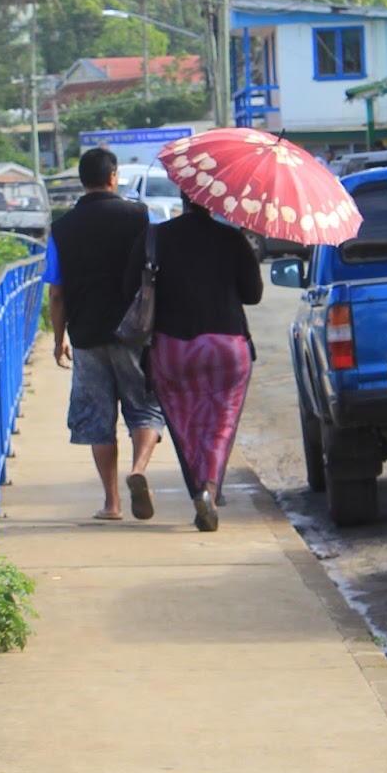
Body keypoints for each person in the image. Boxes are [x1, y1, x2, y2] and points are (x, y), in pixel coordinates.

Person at [124, 195, 263, 533]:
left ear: (182, 197)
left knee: (185, 425)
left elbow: (130, 287)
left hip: (172, 348)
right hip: (226, 346)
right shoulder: (233, 239)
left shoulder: (154, 237)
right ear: (214, 201)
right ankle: (209, 494)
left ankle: (198, 489)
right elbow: (253, 294)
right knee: (220, 424)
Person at [45, 146, 165, 521]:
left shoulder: (62, 228)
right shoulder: (138, 216)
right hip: (134, 330)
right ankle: (139, 469)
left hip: (86, 334)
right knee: (144, 406)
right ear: (113, 177)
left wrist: (58, 337)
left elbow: (57, 291)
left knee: (98, 418)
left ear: (83, 181)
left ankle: (112, 503)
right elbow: (154, 271)